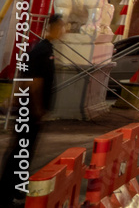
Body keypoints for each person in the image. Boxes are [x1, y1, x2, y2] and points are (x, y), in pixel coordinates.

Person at [0, 13, 66, 205]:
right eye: (61, 26)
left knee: (24, 150)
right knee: (21, 151)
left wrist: (14, 100)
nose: (63, 30)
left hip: (27, 109)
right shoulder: (42, 51)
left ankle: (16, 188)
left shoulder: (41, 49)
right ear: (53, 27)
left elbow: (24, 77)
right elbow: (34, 83)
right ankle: (6, 192)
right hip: (29, 111)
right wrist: (37, 109)